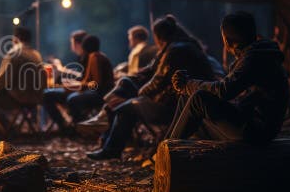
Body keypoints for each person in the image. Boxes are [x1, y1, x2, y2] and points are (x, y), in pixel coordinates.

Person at [86, 15, 214, 160]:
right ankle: (105, 117)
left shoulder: (176, 50)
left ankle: (110, 143)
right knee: (126, 82)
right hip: (175, 99)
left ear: (159, 35)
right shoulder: (177, 46)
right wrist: (136, 76)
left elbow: (158, 82)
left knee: (124, 107)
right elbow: (153, 69)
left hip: (177, 106)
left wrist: (138, 95)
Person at [166, 12, 289, 143]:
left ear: (227, 40)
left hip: (257, 131)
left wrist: (188, 84)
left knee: (198, 99)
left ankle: (170, 148)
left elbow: (224, 91)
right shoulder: (257, 53)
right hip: (251, 121)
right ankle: (164, 146)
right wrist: (188, 87)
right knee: (187, 97)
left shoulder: (255, 58)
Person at [0, 27, 47, 138]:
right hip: (36, 99)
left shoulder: (14, 53)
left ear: (15, 39)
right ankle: (6, 126)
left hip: (18, 99)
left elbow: (1, 83)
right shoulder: (36, 54)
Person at [44, 35, 114, 135]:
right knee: (66, 96)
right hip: (99, 92)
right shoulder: (96, 56)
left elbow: (96, 83)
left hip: (101, 94)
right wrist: (75, 86)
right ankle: (74, 127)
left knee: (72, 99)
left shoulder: (94, 57)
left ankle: (80, 128)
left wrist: (77, 87)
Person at [42, 30, 88, 134]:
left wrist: (68, 86)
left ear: (78, 44)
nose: (72, 47)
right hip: (81, 89)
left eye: (72, 44)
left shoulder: (87, 57)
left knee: (47, 95)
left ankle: (64, 126)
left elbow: (86, 80)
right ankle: (66, 125)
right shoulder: (85, 56)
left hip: (83, 91)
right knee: (49, 93)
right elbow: (82, 77)